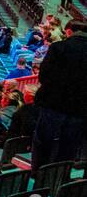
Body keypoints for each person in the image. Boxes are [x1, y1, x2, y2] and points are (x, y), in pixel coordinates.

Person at [31, 18, 87, 169]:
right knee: (68, 149)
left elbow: (43, 76)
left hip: (52, 105)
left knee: (43, 143)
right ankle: (56, 180)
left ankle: (38, 178)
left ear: (69, 31)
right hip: (79, 110)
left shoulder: (58, 47)